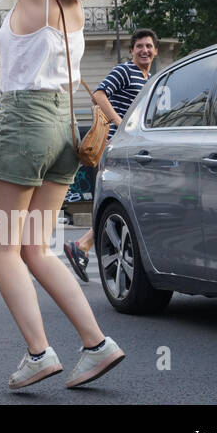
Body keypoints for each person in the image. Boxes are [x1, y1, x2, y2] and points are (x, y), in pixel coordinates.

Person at [0, 0, 125, 390]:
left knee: (1, 244)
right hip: (64, 129)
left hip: (25, 123)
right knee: (36, 248)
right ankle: (96, 343)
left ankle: (39, 353)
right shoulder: (70, 7)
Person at [64, 28, 159, 282]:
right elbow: (98, 95)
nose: (144, 50)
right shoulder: (125, 70)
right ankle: (83, 247)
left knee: (124, 202)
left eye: (149, 46)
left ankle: (82, 246)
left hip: (132, 145)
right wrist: (120, 122)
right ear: (132, 51)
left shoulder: (150, 78)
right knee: (121, 200)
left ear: (155, 51)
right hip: (117, 143)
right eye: (139, 46)